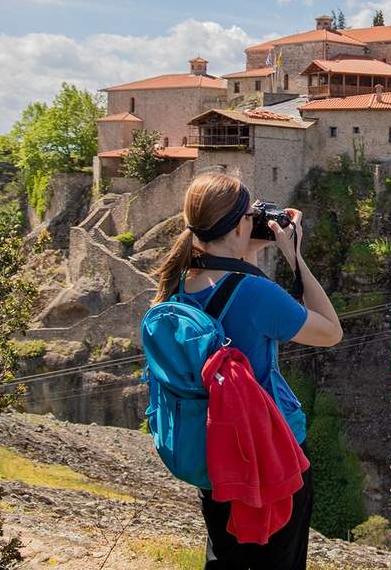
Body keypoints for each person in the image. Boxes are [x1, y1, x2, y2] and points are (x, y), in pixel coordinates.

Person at [153, 172, 342, 570]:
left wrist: (246, 251)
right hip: (272, 455)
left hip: (214, 455)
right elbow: (329, 330)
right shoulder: (255, 294)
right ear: (240, 224)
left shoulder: (176, 287)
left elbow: (229, 302)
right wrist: (295, 256)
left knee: (227, 559)